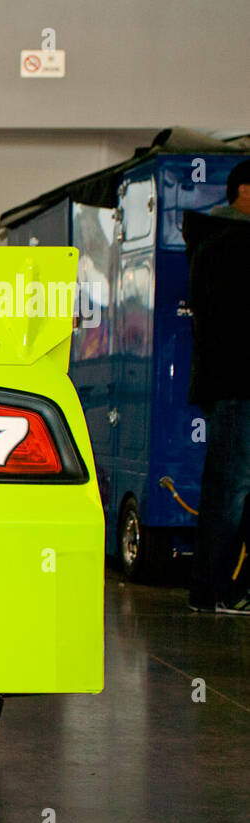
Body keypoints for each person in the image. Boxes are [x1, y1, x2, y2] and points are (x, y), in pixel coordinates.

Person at [186, 158, 250, 613]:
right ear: (243, 191)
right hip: (238, 385)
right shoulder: (230, 245)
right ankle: (216, 591)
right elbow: (231, 322)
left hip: (229, 383)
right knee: (231, 487)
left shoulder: (213, 242)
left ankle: (222, 589)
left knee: (232, 486)